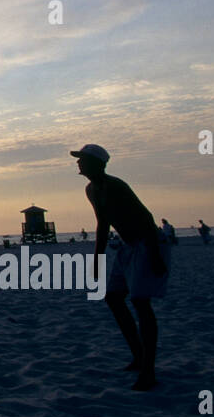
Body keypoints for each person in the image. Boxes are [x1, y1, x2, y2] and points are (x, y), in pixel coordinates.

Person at [72, 144, 170, 392]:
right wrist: (97, 258)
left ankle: (148, 370)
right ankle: (138, 356)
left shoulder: (117, 186)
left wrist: (156, 255)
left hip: (147, 243)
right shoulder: (91, 190)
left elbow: (147, 219)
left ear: (98, 163)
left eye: (82, 159)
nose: (78, 163)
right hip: (128, 246)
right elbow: (102, 224)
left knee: (140, 303)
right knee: (114, 298)